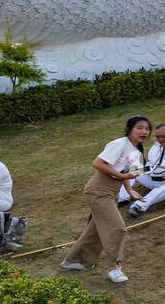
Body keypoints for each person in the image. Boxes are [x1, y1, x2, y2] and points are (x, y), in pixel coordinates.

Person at [60, 115, 149, 283]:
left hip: (110, 192)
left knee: (94, 230)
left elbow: (128, 175)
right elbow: (98, 163)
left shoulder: (137, 151)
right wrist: (121, 175)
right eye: (140, 127)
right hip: (98, 191)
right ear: (129, 129)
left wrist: (130, 191)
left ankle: (72, 261)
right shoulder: (119, 144)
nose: (144, 131)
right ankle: (115, 268)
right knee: (117, 228)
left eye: (147, 128)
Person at [117, 122, 165, 215]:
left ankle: (138, 206)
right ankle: (121, 198)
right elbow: (151, 164)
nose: (160, 139)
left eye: (163, 136)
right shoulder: (156, 146)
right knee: (132, 172)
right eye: (158, 137)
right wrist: (140, 170)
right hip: (155, 179)